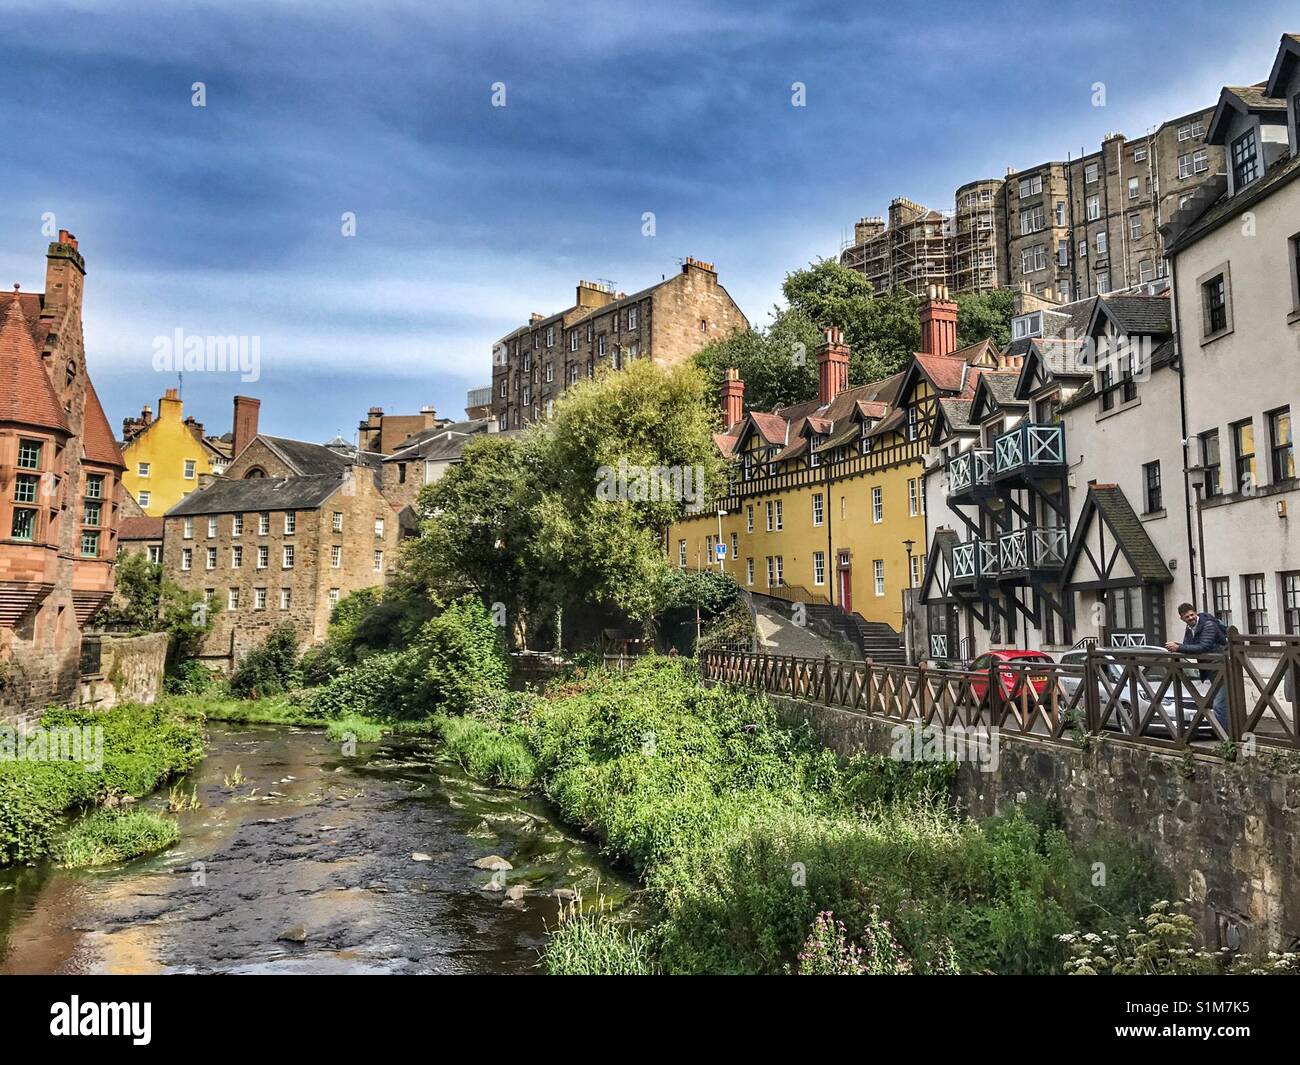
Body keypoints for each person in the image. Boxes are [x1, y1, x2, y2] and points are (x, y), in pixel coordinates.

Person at [1165, 602, 1229, 731]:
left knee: (1219, 705)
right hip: (1212, 670)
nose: (1190, 618)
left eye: (1191, 615)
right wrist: (1177, 646)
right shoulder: (1189, 628)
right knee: (1220, 704)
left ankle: (1229, 738)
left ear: (1195, 612)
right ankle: (1228, 736)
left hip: (1223, 668)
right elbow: (1187, 646)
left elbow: (1203, 647)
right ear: (1182, 618)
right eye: (1186, 617)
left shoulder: (1208, 624)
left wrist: (1178, 647)